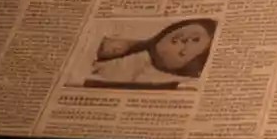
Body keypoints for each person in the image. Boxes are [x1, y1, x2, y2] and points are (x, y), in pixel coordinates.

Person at [86, 18, 217, 88]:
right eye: (195, 38)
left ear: (173, 70)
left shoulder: (123, 76)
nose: (184, 41)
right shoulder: (135, 24)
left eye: (182, 53)